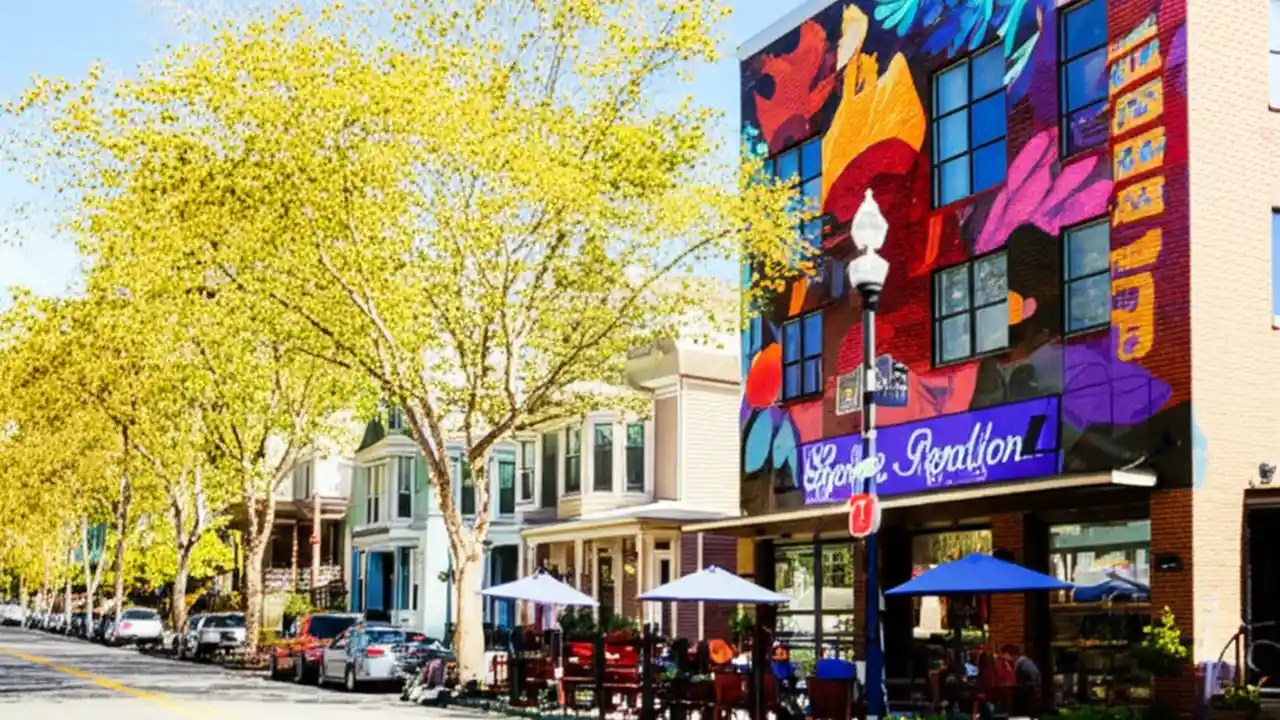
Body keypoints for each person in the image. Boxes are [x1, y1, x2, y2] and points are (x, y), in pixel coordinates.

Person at [1001, 644, 1041, 717]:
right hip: (1027, 697)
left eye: (1004, 654)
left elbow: (1032, 682)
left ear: (1010, 653)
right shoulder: (1024, 662)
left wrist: (1012, 686)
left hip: (1027, 698)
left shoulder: (1024, 664)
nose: (1003, 657)